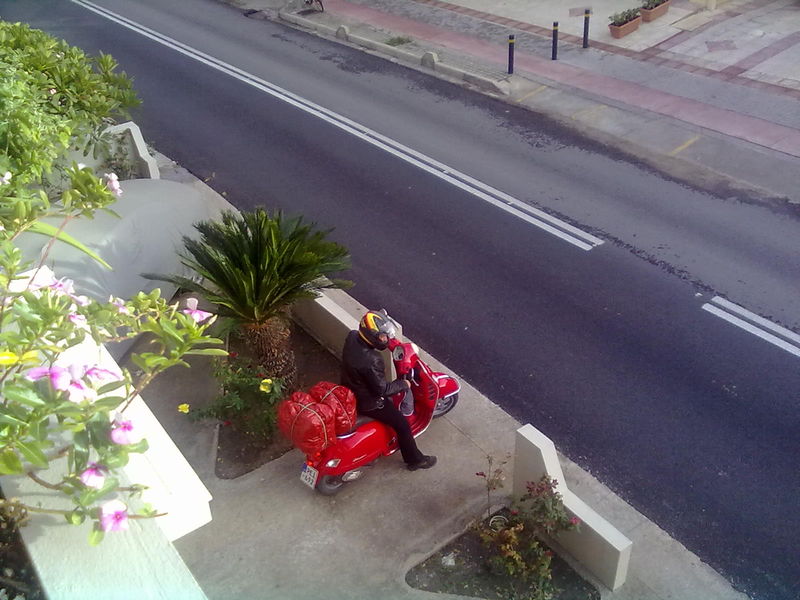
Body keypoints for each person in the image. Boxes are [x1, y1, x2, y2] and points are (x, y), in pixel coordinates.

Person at [341, 310, 437, 471]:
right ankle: (415, 460)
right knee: (402, 425)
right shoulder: (372, 360)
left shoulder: (352, 336)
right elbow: (382, 389)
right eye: (382, 337)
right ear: (371, 335)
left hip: (351, 388)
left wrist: (390, 342)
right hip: (369, 403)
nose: (385, 339)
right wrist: (404, 383)